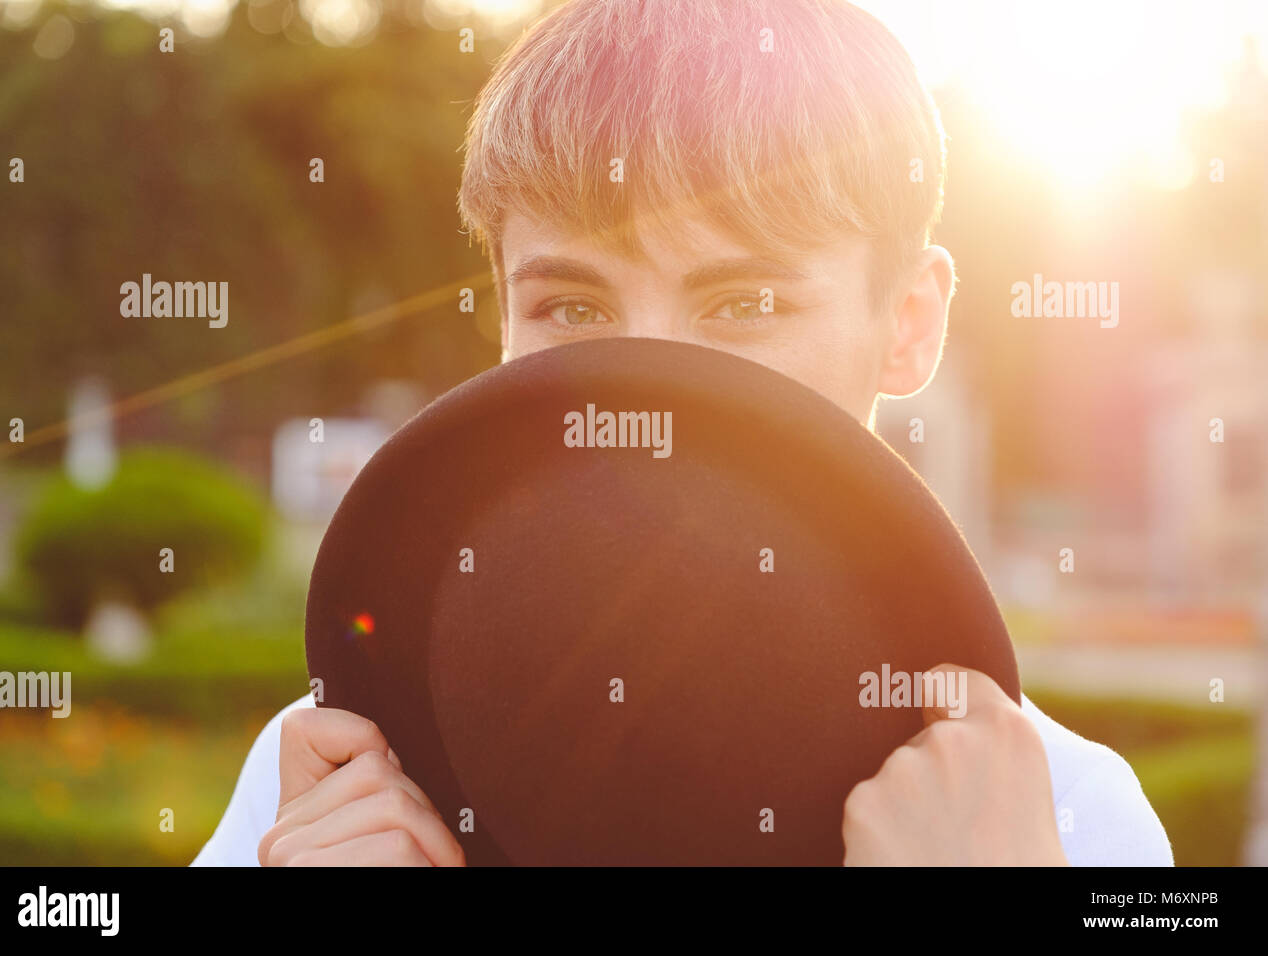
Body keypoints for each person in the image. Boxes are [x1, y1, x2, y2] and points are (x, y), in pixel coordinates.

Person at [193, 0, 1172, 866]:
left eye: (745, 301)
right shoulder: (342, 780)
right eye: (572, 308)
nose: (644, 398)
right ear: (501, 319)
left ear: (908, 324)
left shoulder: (1063, 822)